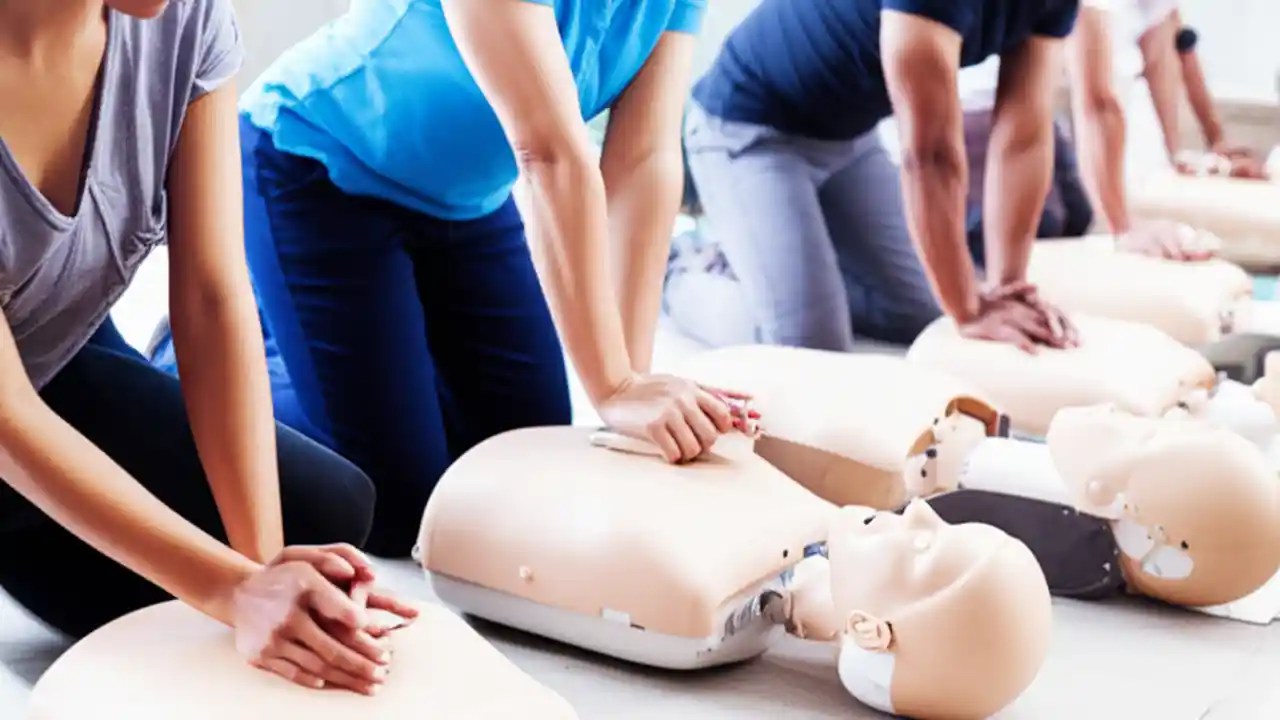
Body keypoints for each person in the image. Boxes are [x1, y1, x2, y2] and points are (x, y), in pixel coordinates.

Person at [0, 0, 415, 695]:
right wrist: (229, 592)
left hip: (55, 345)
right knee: (180, 588)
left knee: (325, 514)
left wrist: (264, 570)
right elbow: (6, 417)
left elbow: (212, 297)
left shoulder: (183, 18)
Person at [238, 0, 748, 558]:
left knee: (523, 462)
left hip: (465, 201)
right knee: (393, 508)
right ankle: (234, 355)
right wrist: (614, 386)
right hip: (320, 168)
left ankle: (339, 340)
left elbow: (644, 156)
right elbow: (549, 154)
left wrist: (635, 381)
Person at [676, 0, 1083, 354]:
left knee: (927, 312)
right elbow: (931, 155)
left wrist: (1006, 286)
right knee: (809, 346)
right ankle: (678, 272)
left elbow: (1024, 136)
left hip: (851, 139)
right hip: (748, 129)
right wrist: (969, 310)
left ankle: (784, 273)